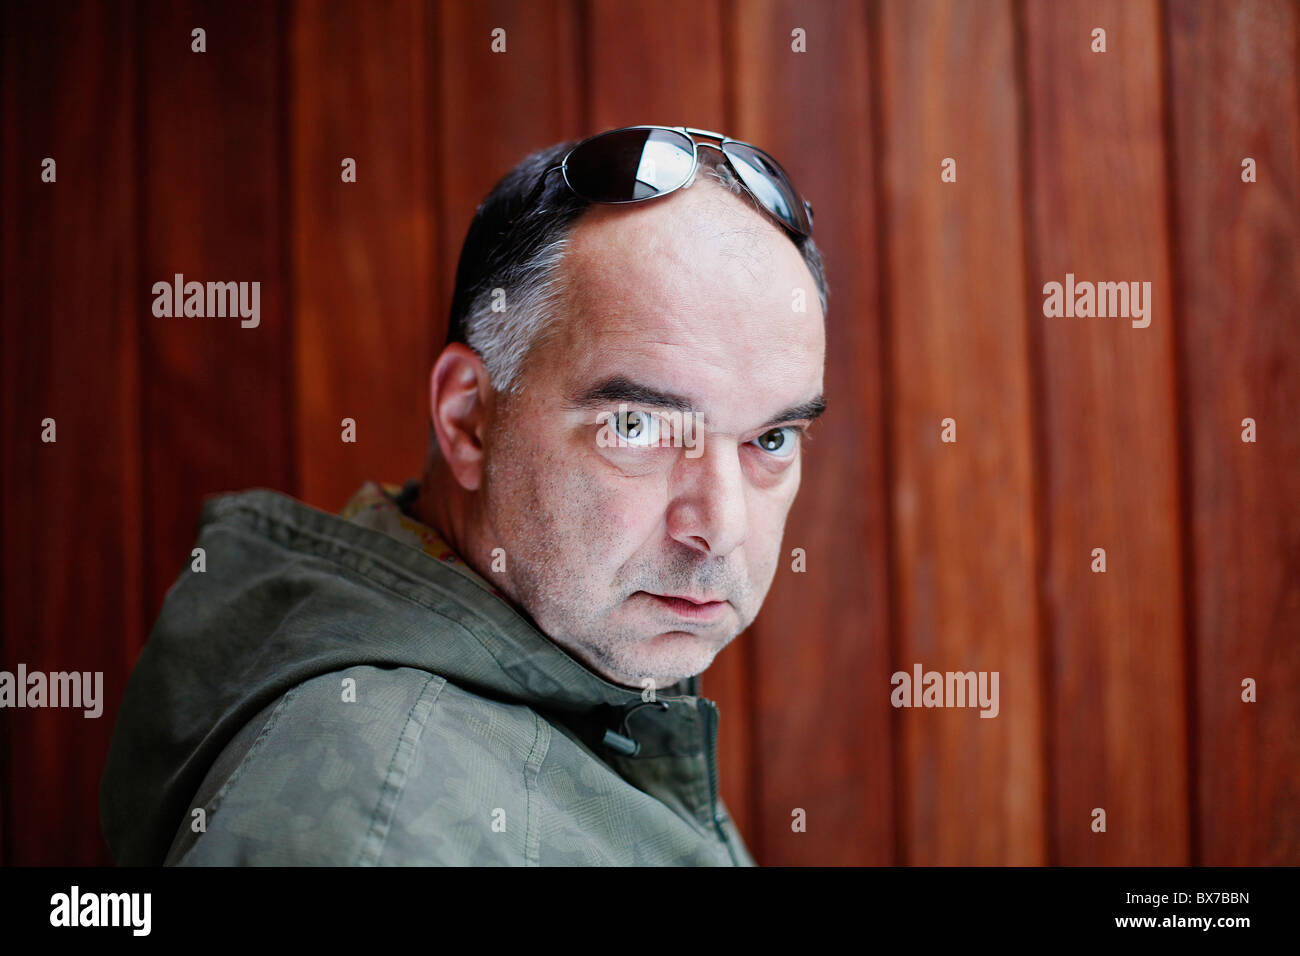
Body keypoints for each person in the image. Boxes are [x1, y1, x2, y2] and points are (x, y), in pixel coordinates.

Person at [100, 126, 829, 866]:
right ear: (469, 420)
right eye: (636, 425)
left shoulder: (581, 678)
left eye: (771, 440)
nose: (722, 527)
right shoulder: (377, 819)